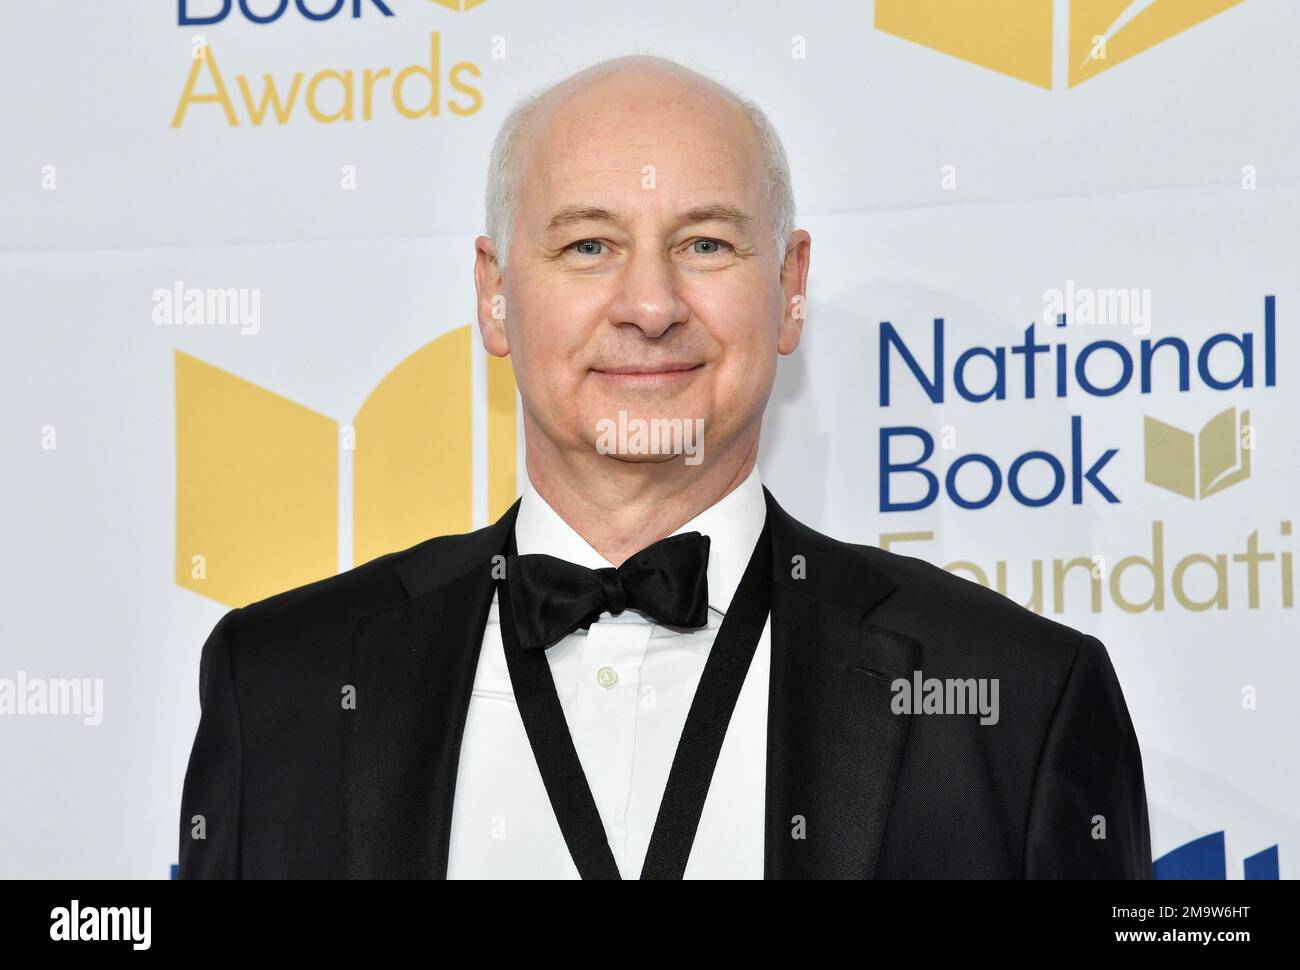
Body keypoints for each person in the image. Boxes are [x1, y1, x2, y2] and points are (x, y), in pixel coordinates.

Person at [179, 55, 1151, 879]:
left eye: (705, 242)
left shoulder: (1016, 693)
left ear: (789, 289)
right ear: (495, 294)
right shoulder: (278, 685)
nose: (649, 303)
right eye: (589, 244)